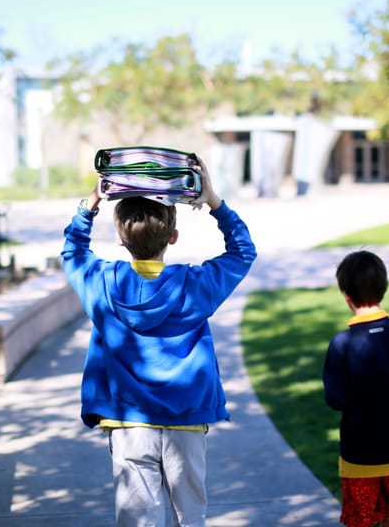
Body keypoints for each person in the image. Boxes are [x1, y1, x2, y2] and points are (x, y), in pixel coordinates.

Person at [61, 155, 257, 526]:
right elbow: (243, 252)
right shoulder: (195, 286)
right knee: (190, 518)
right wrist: (214, 201)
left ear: (120, 237)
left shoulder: (101, 283)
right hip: (186, 418)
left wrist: (92, 203)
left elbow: (72, 251)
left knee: (139, 521)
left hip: (128, 422)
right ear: (173, 236)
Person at [322, 250, 389, 527]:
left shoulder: (341, 344)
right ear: (383, 288)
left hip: (359, 454)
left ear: (346, 295)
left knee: (361, 521)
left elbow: (336, 398)